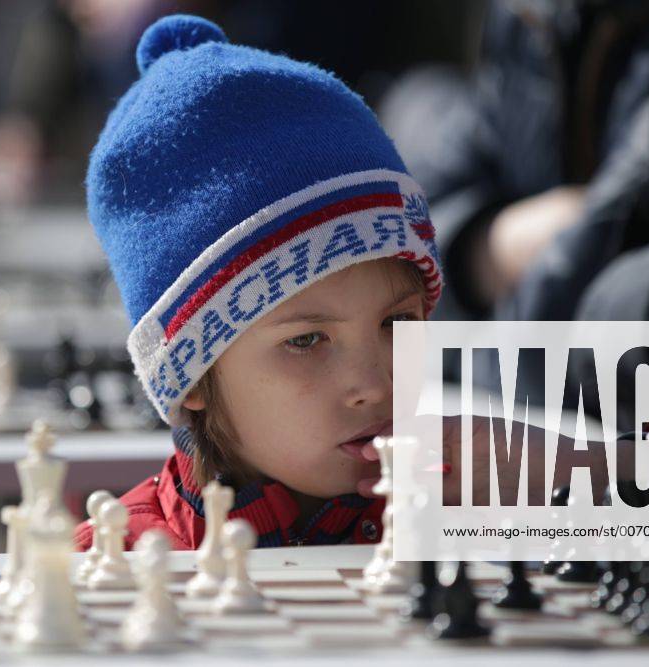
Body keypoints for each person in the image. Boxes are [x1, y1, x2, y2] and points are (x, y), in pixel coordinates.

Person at [73, 14, 446, 550]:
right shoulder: (115, 561)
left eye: (398, 322)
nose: (375, 385)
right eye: (305, 339)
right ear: (193, 376)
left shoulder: (484, 513)